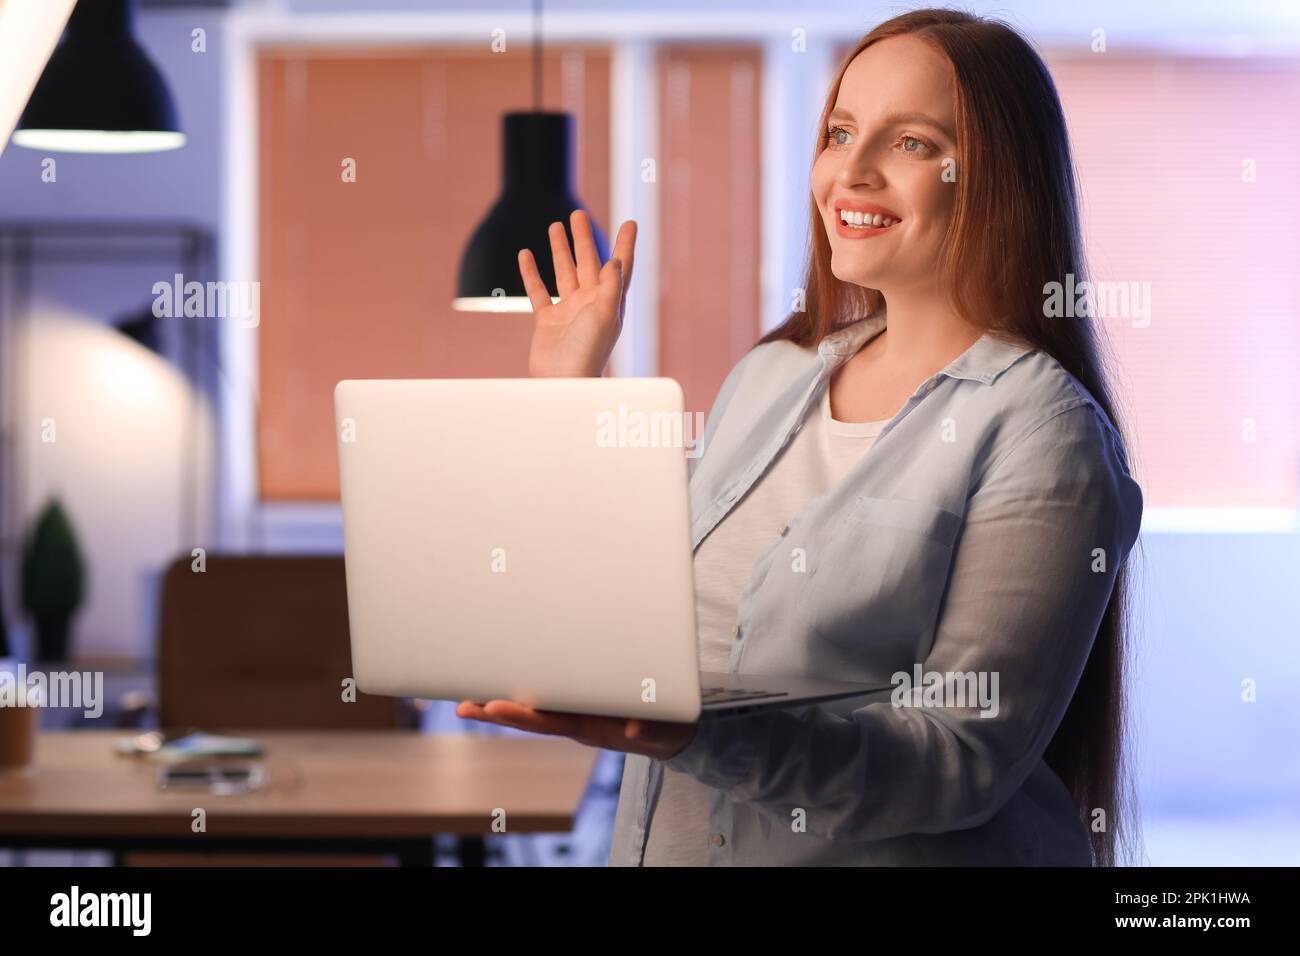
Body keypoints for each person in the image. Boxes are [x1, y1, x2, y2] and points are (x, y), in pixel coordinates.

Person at [458, 8, 1144, 867]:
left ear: (998, 177)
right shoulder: (773, 377)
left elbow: (956, 761)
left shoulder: (1044, 433)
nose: (849, 173)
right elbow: (641, 602)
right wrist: (570, 396)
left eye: (911, 143)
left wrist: (690, 733)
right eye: (841, 132)